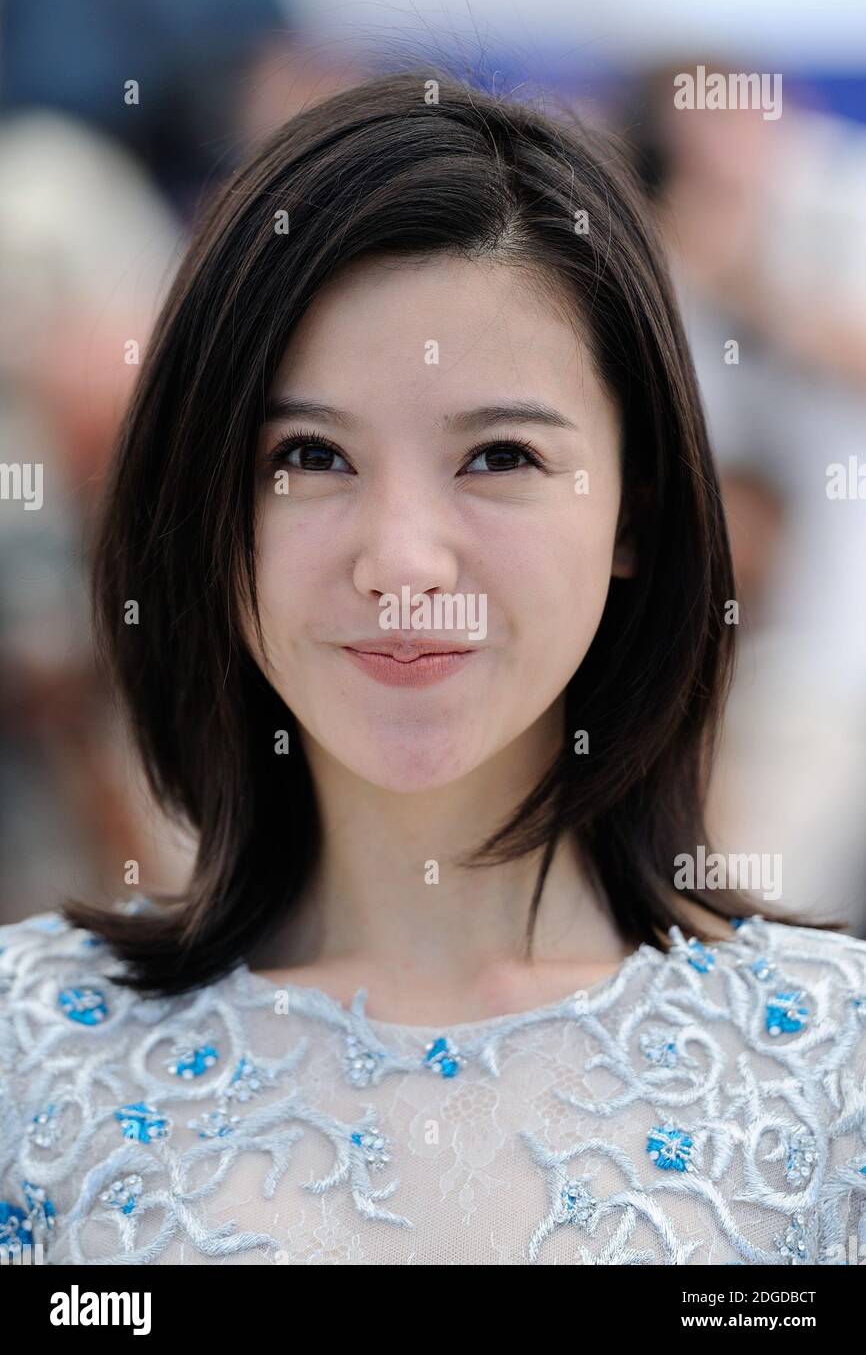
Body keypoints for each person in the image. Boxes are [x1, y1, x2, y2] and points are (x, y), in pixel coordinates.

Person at [1, 71, 864, 1268]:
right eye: (308, 454)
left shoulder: (834, 1072)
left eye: (499, 454)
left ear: (634, 512)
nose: (400, 557)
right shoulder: (29, 1052)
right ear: (204, 505)